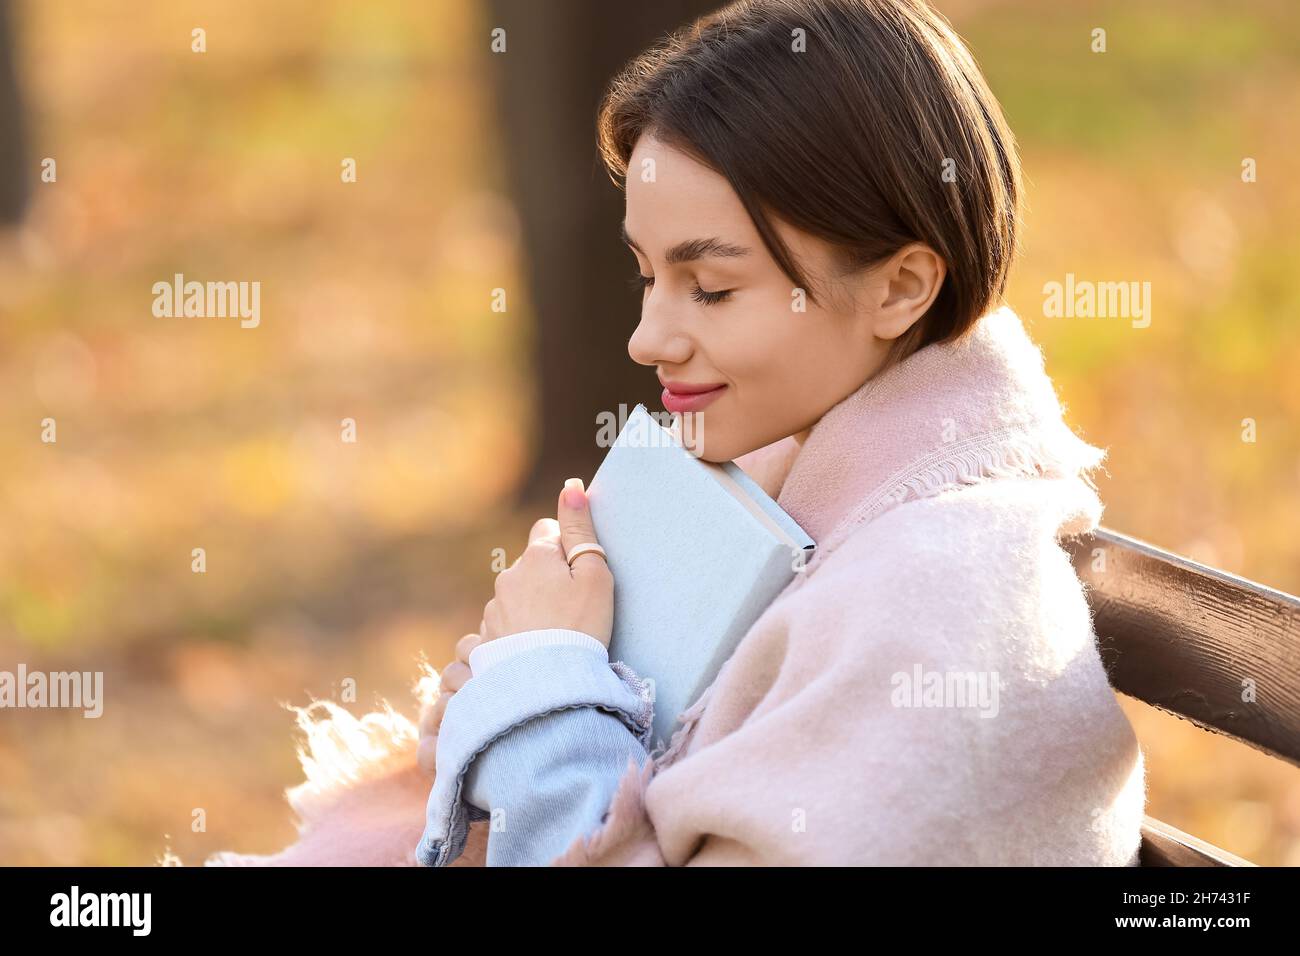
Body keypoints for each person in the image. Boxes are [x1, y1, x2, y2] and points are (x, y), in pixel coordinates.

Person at [207, 0, 1146, 868]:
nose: (647, 337)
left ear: (900, 287)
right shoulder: (771, 505)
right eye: (647, 274)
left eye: (712, 287)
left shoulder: (937, 607)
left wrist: (546, 696)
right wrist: (499, 701)